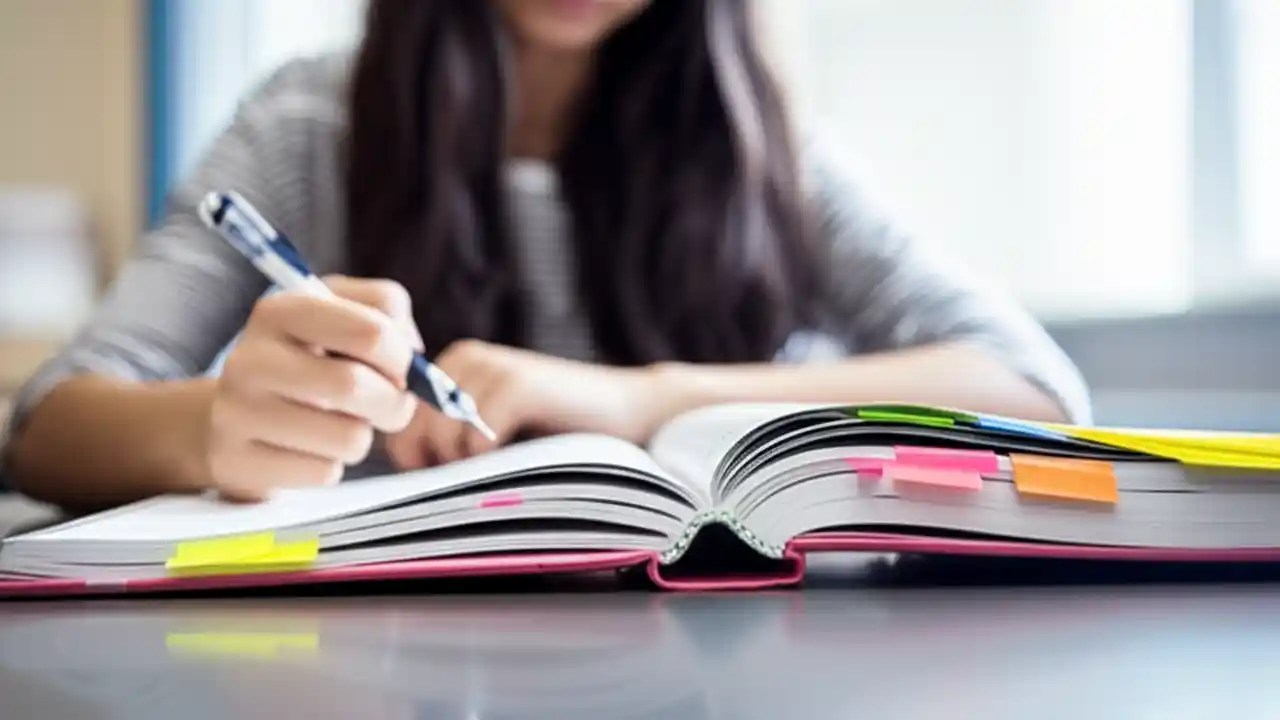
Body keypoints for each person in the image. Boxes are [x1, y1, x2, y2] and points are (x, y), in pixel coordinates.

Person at [2, 0, 1089, 510]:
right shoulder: (306, 127)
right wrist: (212, 429)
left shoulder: (762, 147)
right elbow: (46, 428)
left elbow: (1031, 386)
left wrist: (643, 398)